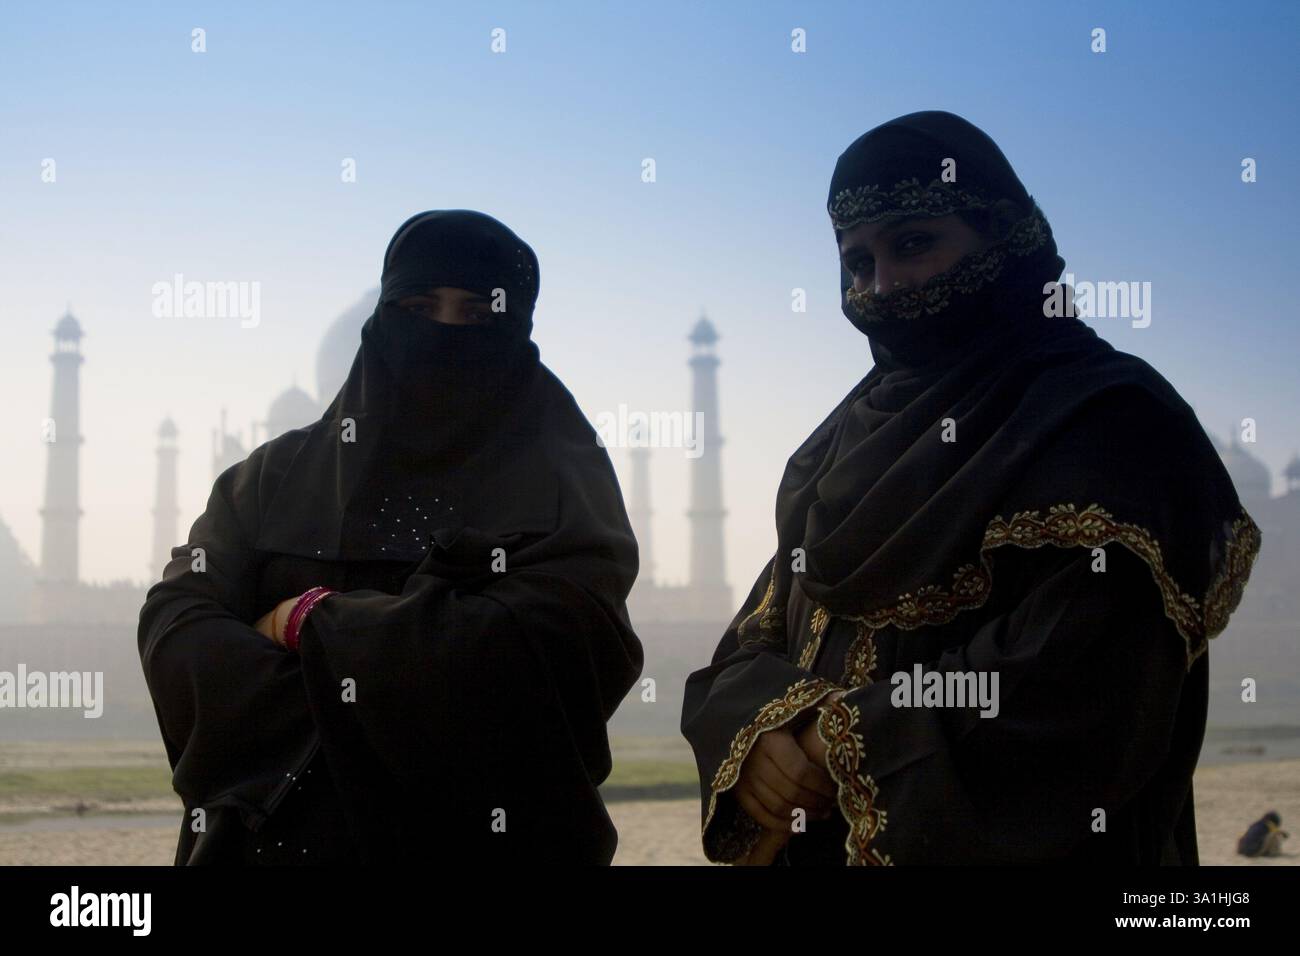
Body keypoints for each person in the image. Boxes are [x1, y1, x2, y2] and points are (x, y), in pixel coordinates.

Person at [680, 111, 1261, 866]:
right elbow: (758, 635)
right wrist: (758, 734)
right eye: (858, 265)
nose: (883, 287)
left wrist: (842, 736)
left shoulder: (1106, 421)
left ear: (1004, 238)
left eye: (914, 244)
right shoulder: (842, 443)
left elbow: (1078, 682)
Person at [138, 209, 643, 864]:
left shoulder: (559, 485)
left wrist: (309, 624)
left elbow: (543, 657)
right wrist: (405, 668)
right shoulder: (271, 480)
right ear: (384, 316)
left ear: (514, 330)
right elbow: (177, 631)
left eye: (476, 315)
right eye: (421, 304)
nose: (443, 332)